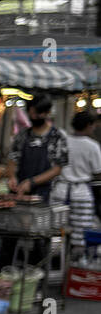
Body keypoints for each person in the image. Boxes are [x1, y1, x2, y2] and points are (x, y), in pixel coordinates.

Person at [8, 95, 67, 201]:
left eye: (37, 114)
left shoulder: (57, 136)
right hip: (20, 192)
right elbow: (13, 158)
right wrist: (12, 177)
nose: (34, 117)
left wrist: (32, 182)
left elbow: (57, 169)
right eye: (31, 114)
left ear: (47, 112)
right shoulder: (22, 135)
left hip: (46, 193)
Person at [59, 110, 101, 257]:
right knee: (80, 238)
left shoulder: (63, 140)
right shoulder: (92, 146)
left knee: (58, 233)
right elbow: (97, 170)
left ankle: (56, 265)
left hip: (60, 190)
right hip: (82, 193)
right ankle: (74, 268)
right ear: (89, 125)